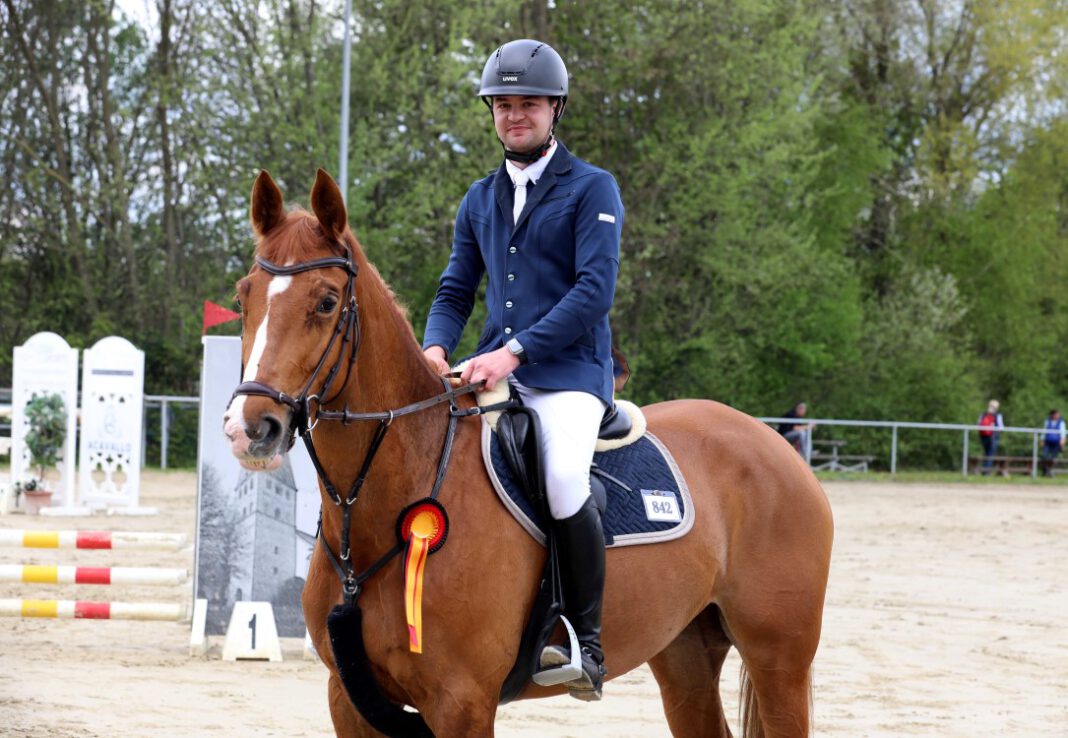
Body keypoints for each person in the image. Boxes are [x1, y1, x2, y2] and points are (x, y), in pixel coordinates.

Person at [421, 39, 624, 701]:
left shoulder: (591, 188)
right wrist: (433, 350)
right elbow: (456, 289)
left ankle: (582, 639)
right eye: (503, 105)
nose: (514, 116)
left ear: (554, 109)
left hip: (567, 374)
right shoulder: (479, 199)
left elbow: (593, 291)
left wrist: (516, 351)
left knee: (564, 475)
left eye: (527, 104)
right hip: (490, 374)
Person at [977, 400, 1005, 474]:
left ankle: (984, 470)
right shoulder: (998, 415)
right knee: (990, 454)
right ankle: (986, 472)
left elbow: (978, 424)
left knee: (986, 453)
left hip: (983, 436)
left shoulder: (983, 414)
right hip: (993, 437)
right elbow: (1001, 427)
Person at [1041, 409, 1066, 477]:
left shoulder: (1061, 422)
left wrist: (1063, 440)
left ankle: (1051, 471)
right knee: (1044, 456)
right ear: (1052, 414)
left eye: (1058, 414)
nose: (1057, 415)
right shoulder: (1047, 421)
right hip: (1048, 442)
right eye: (1056, 414)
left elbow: (1063, 432)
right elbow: (1044, 431)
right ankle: (1046, 471)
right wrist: (1042, 440)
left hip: (1056, 443)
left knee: (1053, 457)